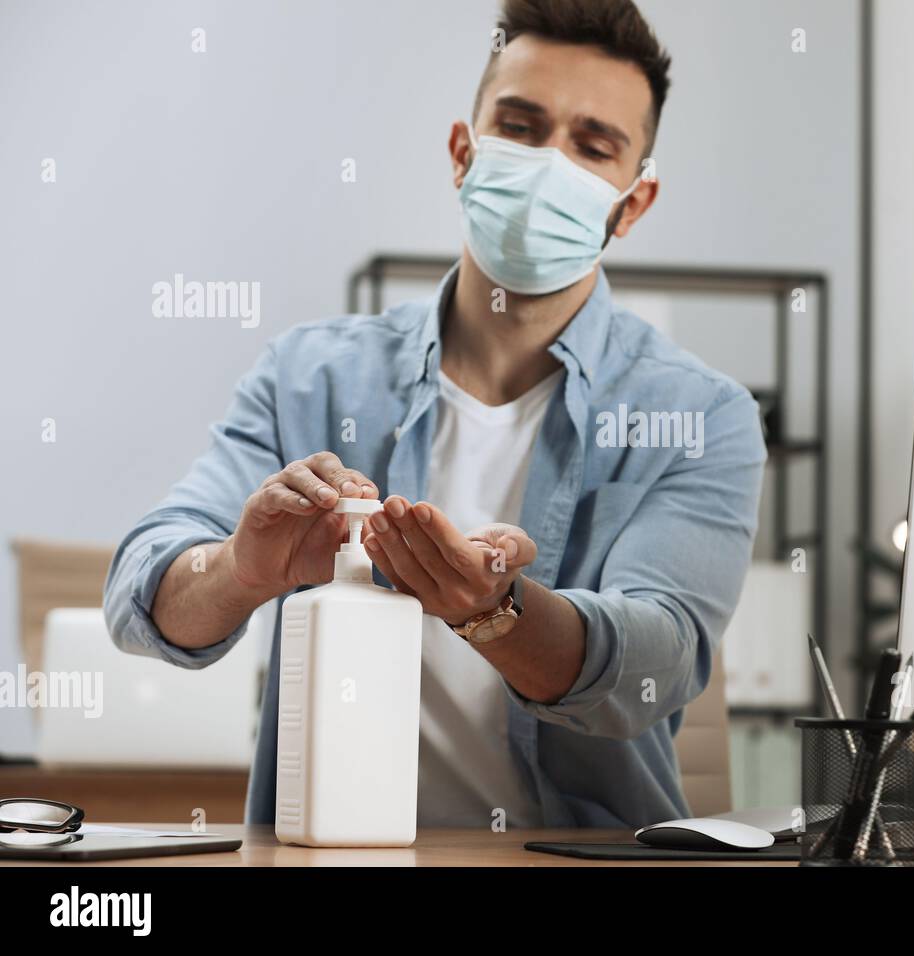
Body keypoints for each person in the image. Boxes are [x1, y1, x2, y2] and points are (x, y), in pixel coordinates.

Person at [104, 0, 765, 829]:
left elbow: (656, 661)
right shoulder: (311, 377)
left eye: (593, 146)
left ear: (631, 205)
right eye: (520, 127)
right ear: (464, 153)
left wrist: (496, 613)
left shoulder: (703, 415)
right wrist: (242, 566)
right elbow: (143, 588)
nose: (548, 165)